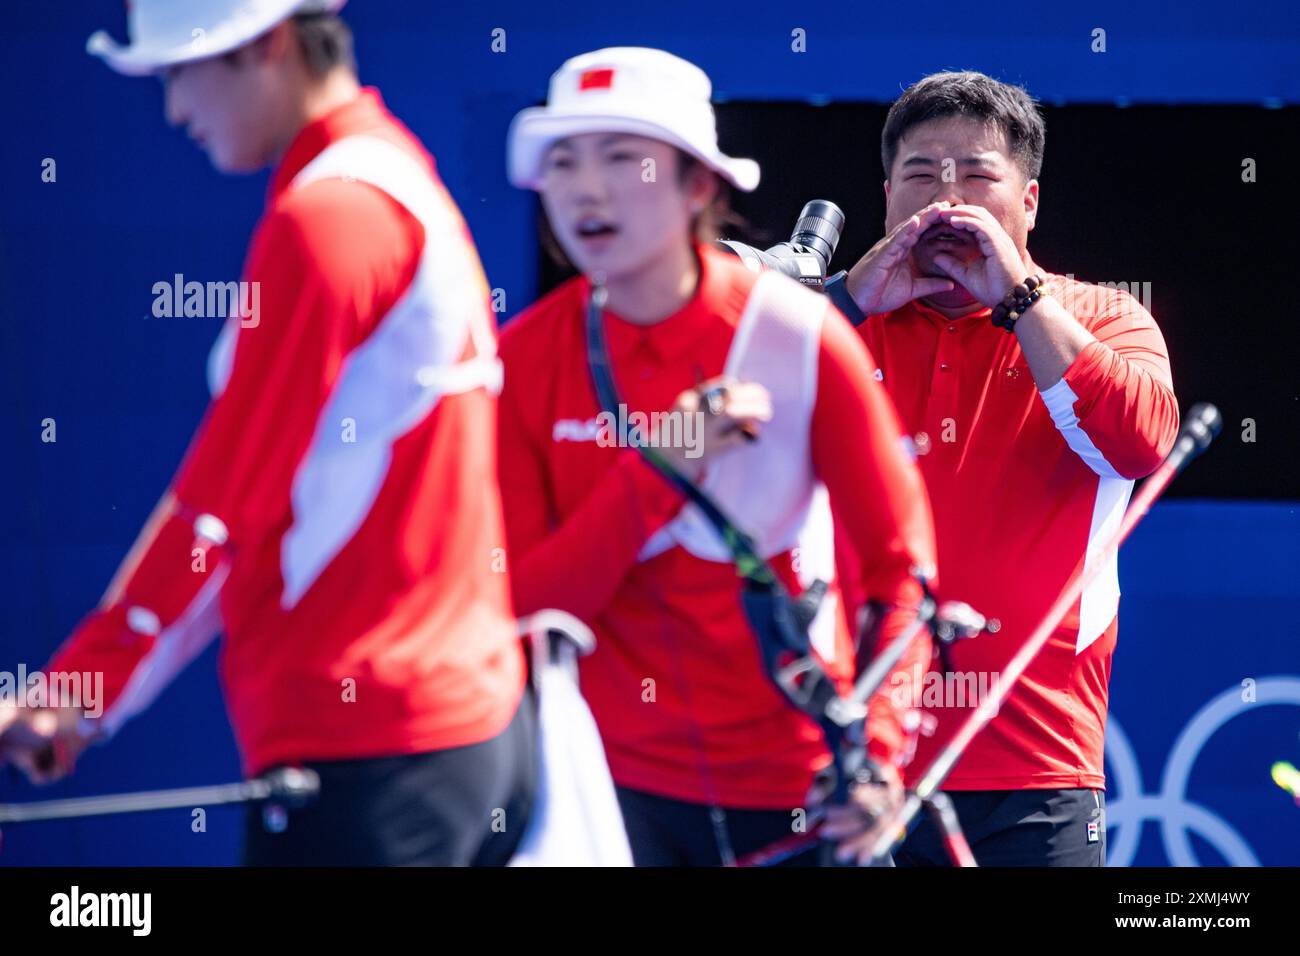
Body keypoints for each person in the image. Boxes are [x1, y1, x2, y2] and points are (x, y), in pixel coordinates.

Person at [0, 0, 533, 866]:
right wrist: (87, 697)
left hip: (373, 762)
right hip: (441, 740)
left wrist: (74, 691)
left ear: (269, 45)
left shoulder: (330, 219)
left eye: (179, 71)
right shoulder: (392, 179)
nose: (174, 109)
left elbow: (220, 509)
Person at [499, 46, 937, 866]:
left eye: (622, 158)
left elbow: (900, 571)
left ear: (699, 184)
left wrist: (878, 758)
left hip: (797, 801)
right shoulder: (522, 361)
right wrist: (666, 463)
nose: (585, 188)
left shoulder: (803, 339)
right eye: (563, 162)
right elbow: (524, 608)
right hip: (596, 798)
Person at [827, 70, 1179, 866]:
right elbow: (721, 444)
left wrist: (1018, 299)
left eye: (979, 176)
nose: (947, 198)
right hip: (848, 761)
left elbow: (1142, 443)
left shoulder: (1104, 317)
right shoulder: (829, 322)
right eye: (921, 175)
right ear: (887, 197)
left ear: (1028, 204)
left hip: (1035, 762)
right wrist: (847, 302)